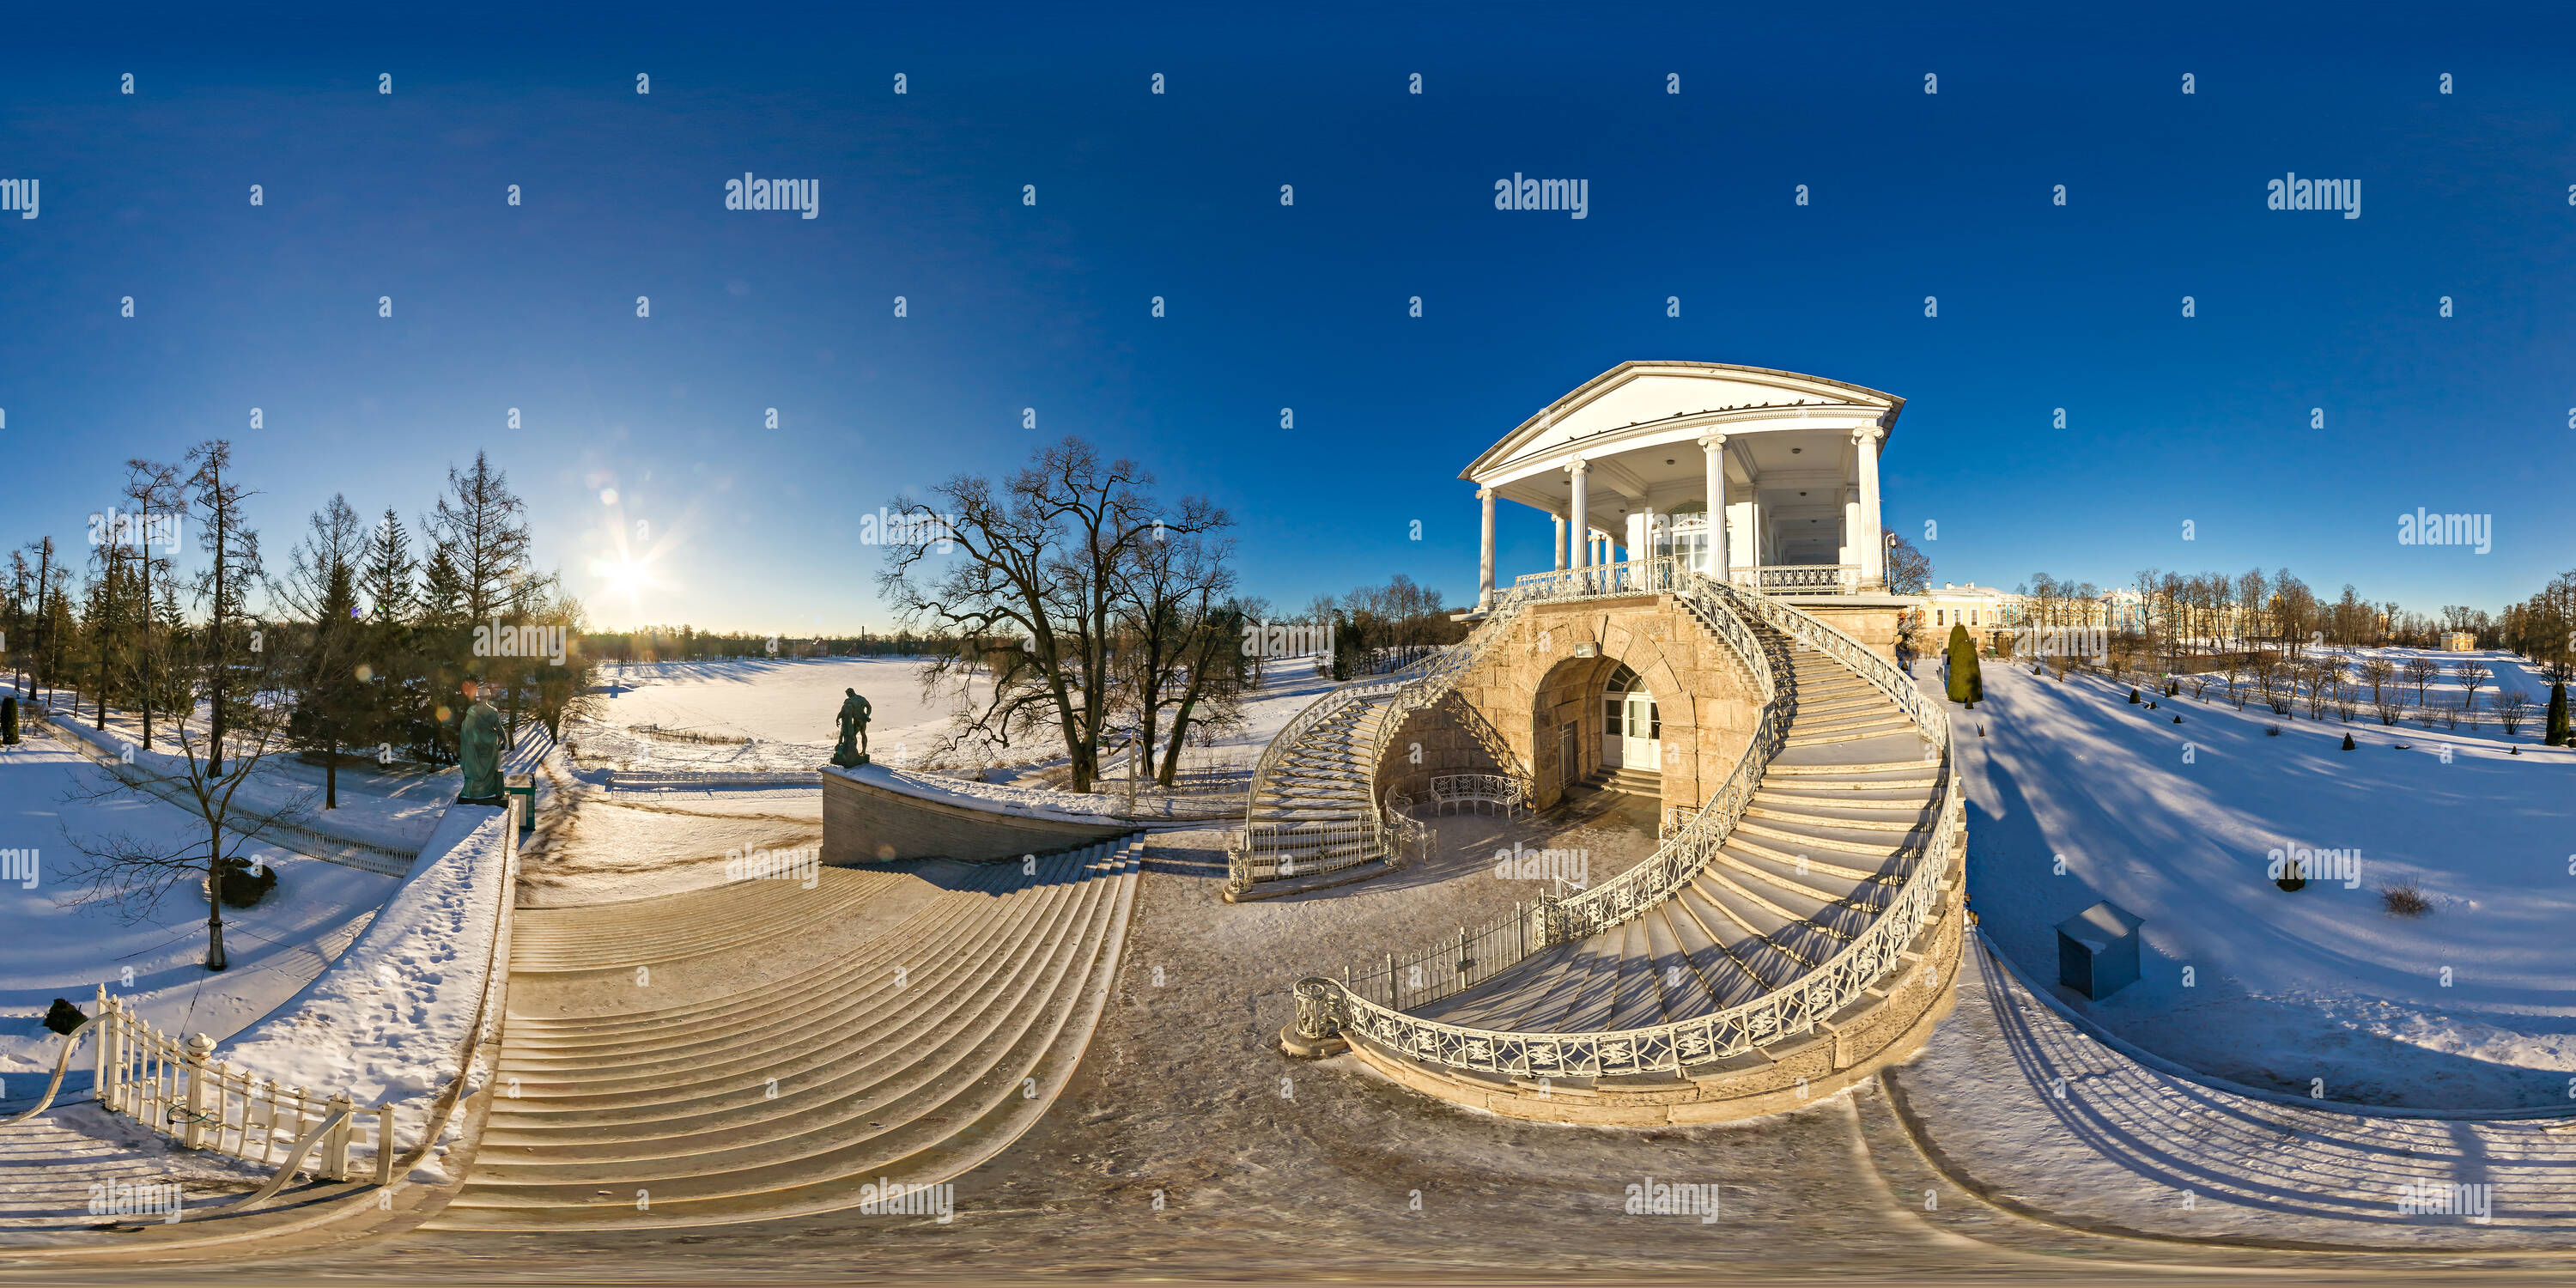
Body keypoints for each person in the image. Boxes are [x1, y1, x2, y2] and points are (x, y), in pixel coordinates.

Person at [455, 677, 506, 805]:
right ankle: (487, 791)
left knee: (474, 767)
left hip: (475, 744)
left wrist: (468, 742)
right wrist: (504, 740)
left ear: (478, 697)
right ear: (488, 697)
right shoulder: (493, 711)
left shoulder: (472, 711)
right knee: (490, 770)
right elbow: (499, 728)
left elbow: (466, 729)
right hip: (490, 745)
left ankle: (474, 792)